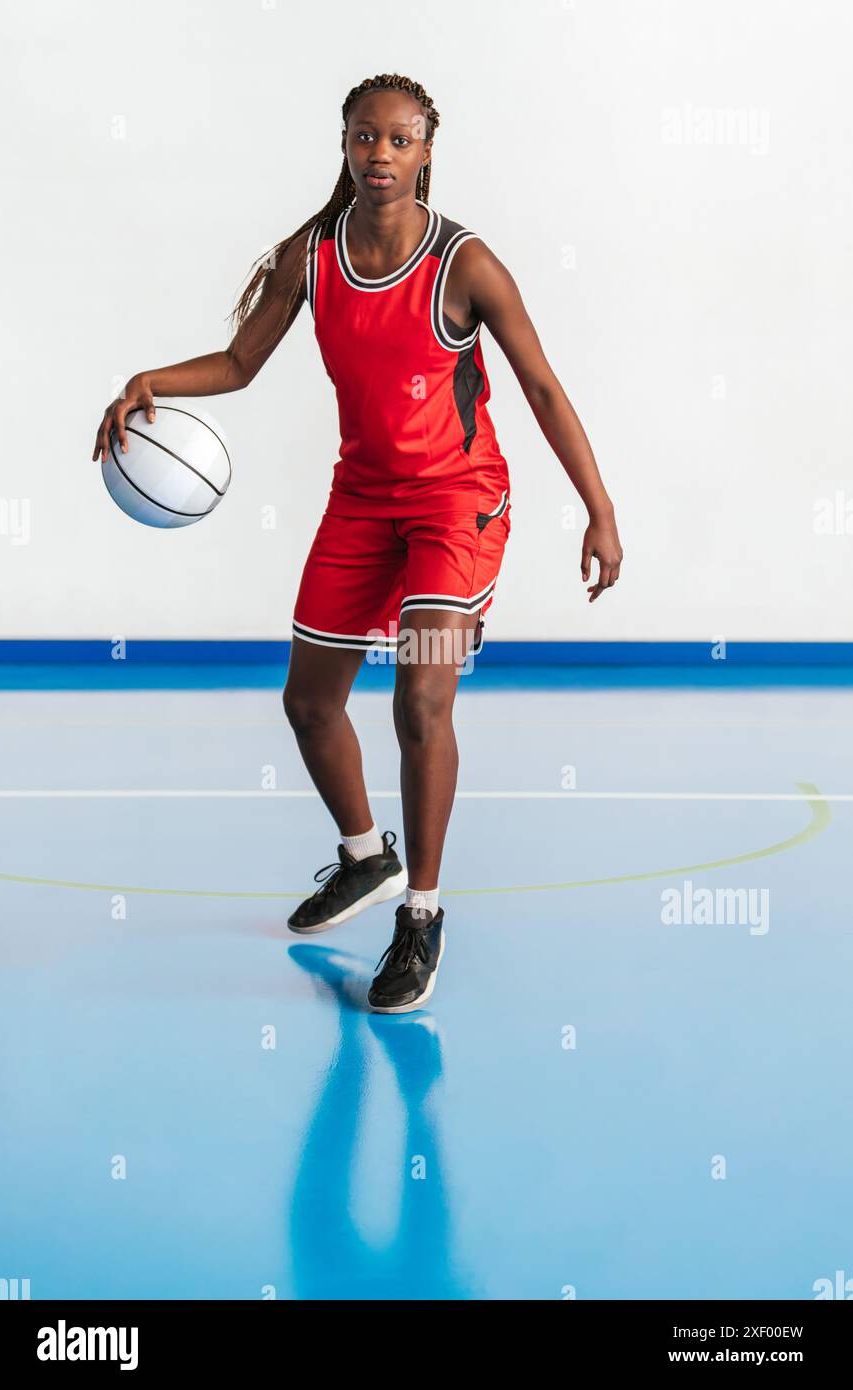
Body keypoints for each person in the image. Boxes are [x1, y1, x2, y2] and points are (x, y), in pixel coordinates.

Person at [92, 72, 623, 1015]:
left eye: (399, 140)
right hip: (362, 505)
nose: (379, 155)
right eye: (363, 138)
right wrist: (149, 378)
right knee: (307, 703)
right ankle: (364, 857)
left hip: (460, 509)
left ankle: (419, 914)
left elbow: (541, 387)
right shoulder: (315, 256)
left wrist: (599, 508)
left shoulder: (466, 264)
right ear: (343, 146)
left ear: (427, 151)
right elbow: (242, 363)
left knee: (421, 696)